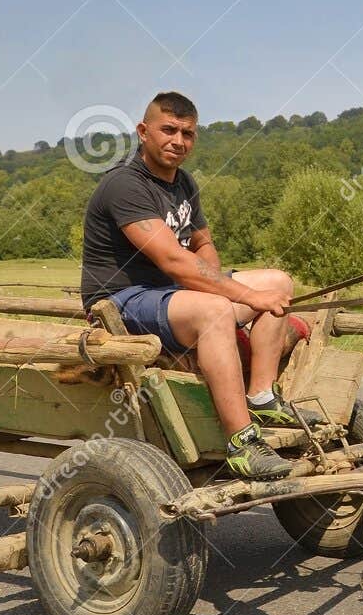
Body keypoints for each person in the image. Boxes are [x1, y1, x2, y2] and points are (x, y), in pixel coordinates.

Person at [79, 92, 306, 478]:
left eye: (187, 133)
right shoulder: (125, 185)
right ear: (143, 132)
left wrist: (228, 287)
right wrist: (244, 297)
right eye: (168, 130)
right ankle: (242, 443)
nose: (178, 141)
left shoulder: (184, 183)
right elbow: (174, 260)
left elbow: (202, 244)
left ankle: (262, 396)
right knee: (218, 308)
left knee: (278, 281)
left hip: (172, 295)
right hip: (123, 300)